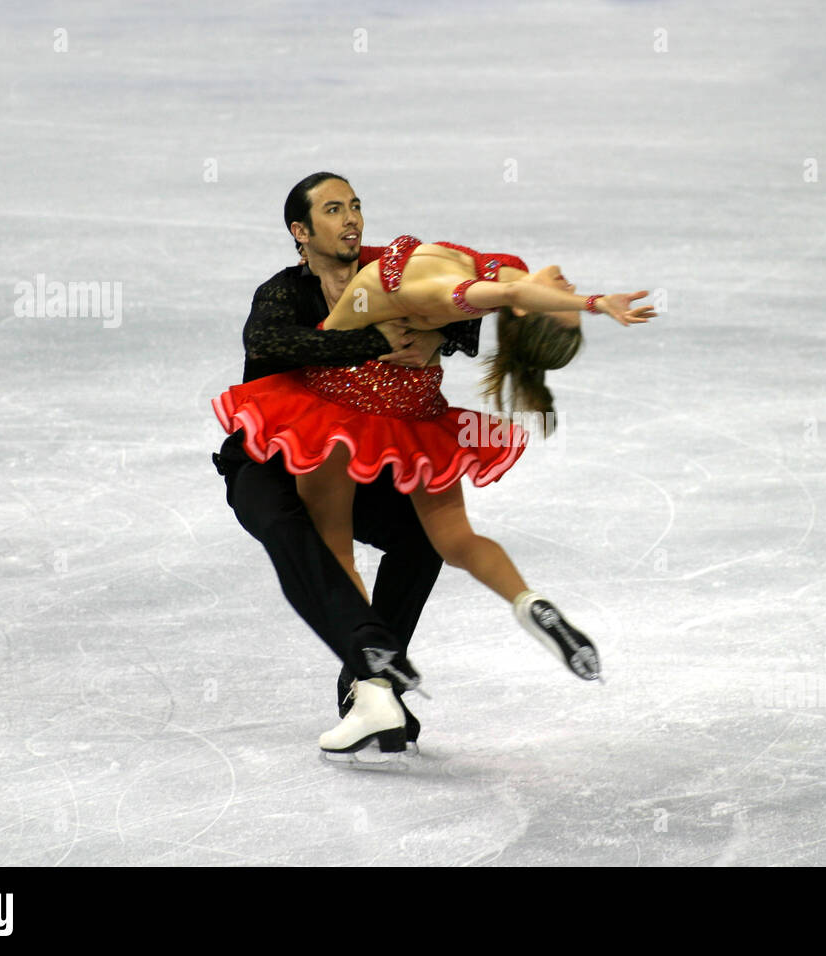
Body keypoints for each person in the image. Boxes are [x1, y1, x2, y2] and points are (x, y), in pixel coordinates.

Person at [214, 233, 654, 754]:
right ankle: (526, 601)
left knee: (336, 549)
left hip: (344, 406)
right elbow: (508, 296)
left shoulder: (458, 291)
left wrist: (595, 304)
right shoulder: (502, 276)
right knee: (454, 538)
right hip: (416, 407)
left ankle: (373, 688)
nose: (569, 289)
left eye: (562, 303)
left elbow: (504, 296)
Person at [213, 172, 471, 753]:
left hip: (344, 468)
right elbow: (271, 343)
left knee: (421, 537)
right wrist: (375, 341)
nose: (351, 218)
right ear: (300, 232)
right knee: (290, 534)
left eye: (355, 206)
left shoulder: (383, 276)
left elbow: (465, 298)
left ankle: (367, 686)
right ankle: (371, 658)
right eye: (333, 210)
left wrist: (438, 338)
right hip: (265, 463)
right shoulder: (283, 293)